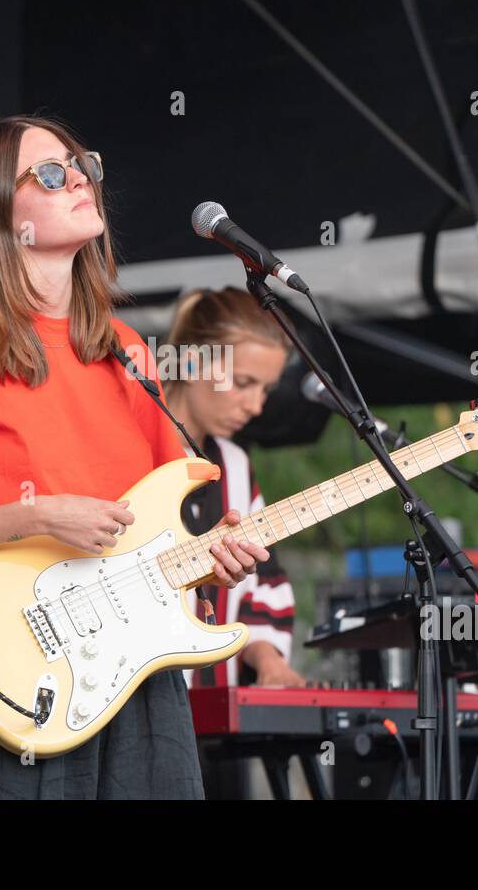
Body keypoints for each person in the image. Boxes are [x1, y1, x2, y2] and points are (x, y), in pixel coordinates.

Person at [0, 115, 271, 799]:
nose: (80, 176)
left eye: (83, 164)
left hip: (142, 684)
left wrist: (213, 556)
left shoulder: (129, 354)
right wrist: (37, 516)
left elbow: (163, 541)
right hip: (22, 677)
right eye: (51, 173)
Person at [163, 288, 307, 688]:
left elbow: (264, 583)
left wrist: (268, 662)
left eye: (265, 389)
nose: (256, 406)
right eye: (244, 383)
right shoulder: (128, 448)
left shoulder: (236, 467)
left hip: (214, 719)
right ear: (191, 362)